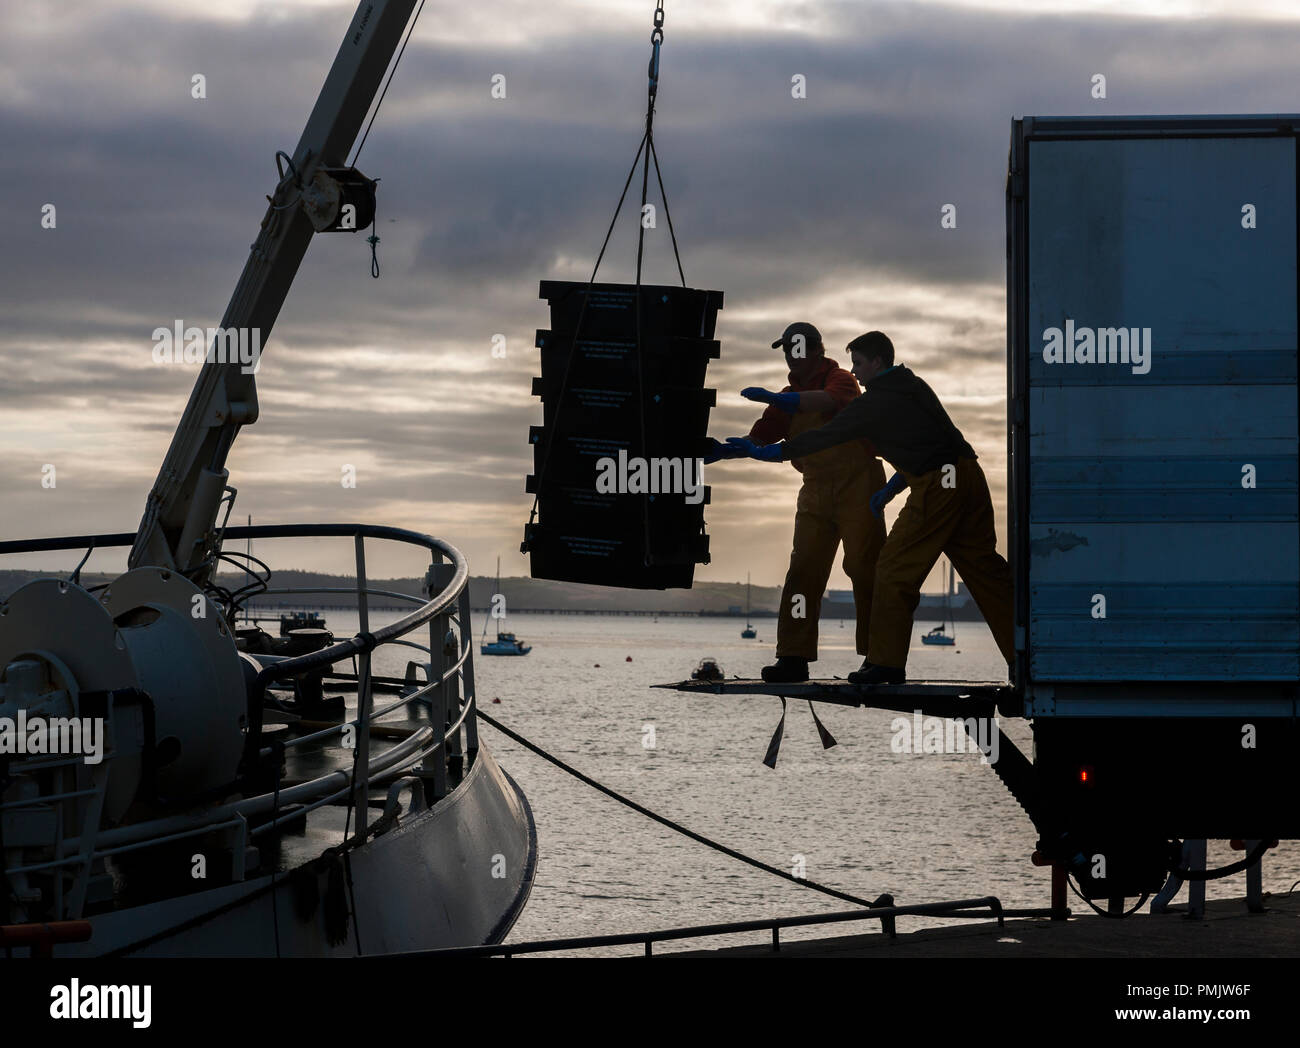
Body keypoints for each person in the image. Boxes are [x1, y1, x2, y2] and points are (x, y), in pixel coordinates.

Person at [726, 330, 1014, 685]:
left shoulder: (871, 398)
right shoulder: (915, 386)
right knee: (987, 573)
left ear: (878, 361)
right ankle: (1028, 658)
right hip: (966, 475)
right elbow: (932, 441)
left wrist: (780, 451)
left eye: (859, 363)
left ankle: (884, 664)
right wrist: (893, 486)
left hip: (937, 486)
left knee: (891, 570)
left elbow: (830, 429)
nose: (856, 371)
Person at [705, 322, 886, 683]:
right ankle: (793, 656)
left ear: (818, 350)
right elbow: (757, 440)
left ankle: (879, 657)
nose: (793, 354)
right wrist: (723, 452)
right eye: (788, 348)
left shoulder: (841, 380)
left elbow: (828, 401)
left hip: (859, 485)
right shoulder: (784, 399)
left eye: (799, 348)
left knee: (866, 570)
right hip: (815, 490)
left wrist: (779, 399)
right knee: (803, 573)